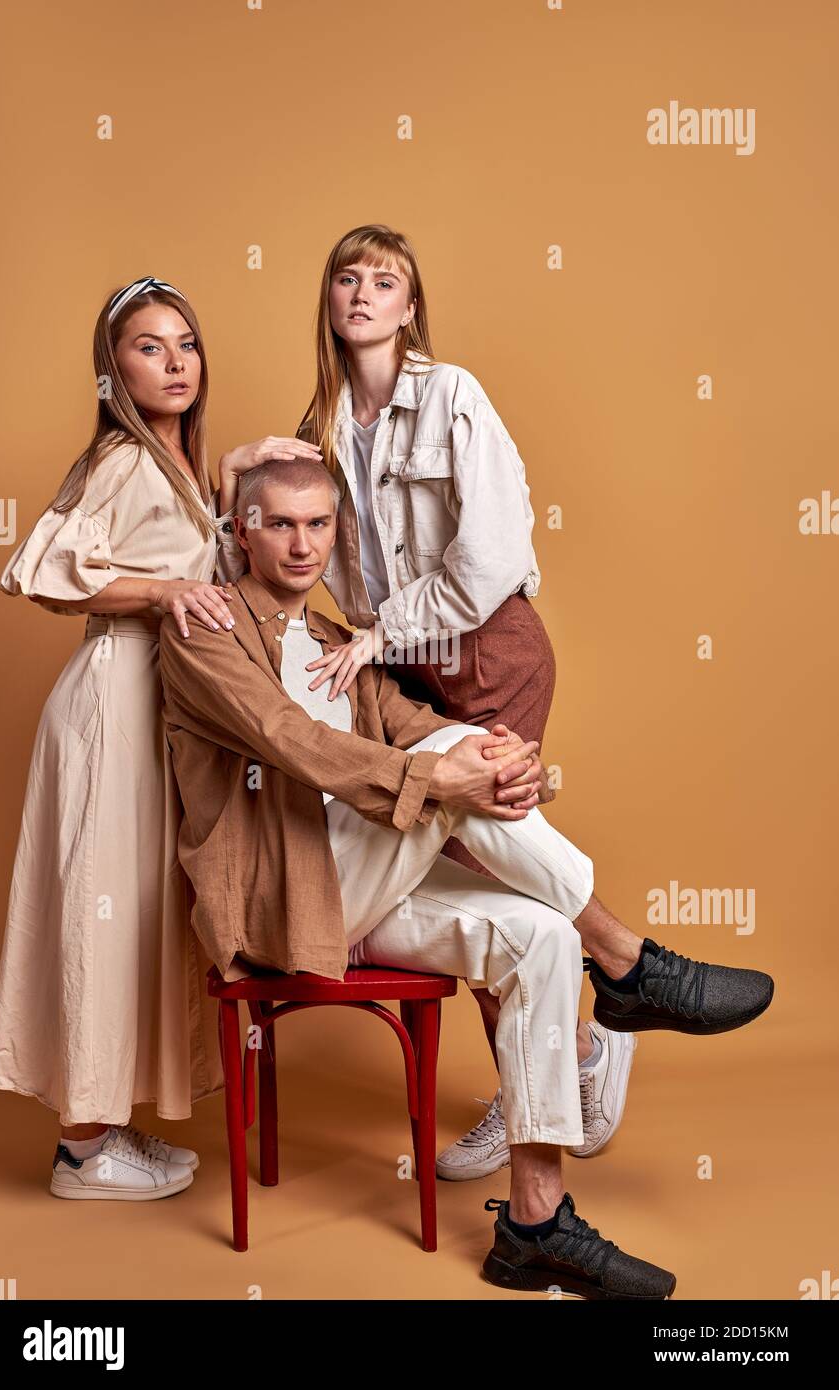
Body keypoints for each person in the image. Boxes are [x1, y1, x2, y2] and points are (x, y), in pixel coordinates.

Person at [157, 458, 775, 1298]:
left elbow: (428, 726)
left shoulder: (342, 643)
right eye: (279, 524)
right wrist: (448, 776)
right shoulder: (205, 629)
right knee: (448, 762)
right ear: (241, 531)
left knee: (543, 935)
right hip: (287, 905)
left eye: (318, 524)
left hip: (377, 890)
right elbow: (293, 742)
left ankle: (534, 1223)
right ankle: (630, 963)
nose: (302, 544)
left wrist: (515, 768)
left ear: (336, 532)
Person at [213, 224, 634, 1174]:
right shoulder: (317, 430)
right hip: (400, 674)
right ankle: (574, 1053)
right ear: (328, 300)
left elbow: (484, 564)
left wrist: (378, 633)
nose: (363, 294)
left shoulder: (452, 396)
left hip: (485, 654)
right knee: (469, 861)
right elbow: (265, 548)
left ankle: (566, 1059)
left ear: (411, 307)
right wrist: (237, 470)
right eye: (347, 279)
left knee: (484, 847)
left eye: (385, 281)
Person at [0, 276, 301, 1201]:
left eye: (186, 344)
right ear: (111, 370)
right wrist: (162, 593)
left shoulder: (173, 468)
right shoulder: (122, 457)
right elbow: (39, 572)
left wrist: (232, 480)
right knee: (97, 901)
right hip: (112, 699)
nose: (174, 362)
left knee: (134, 909)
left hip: (156, 707)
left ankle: (105, 1123)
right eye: (149, 346)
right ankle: (82, 1149)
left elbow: (207, 561)